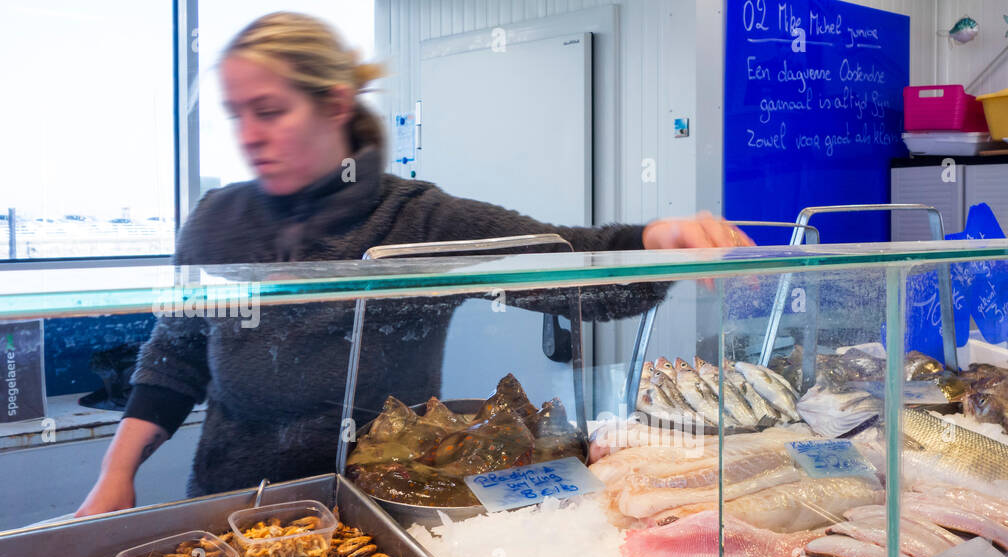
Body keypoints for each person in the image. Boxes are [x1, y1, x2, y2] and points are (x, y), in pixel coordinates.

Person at [77, 11, 752, 516]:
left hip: (382, 511)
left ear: (335, 104)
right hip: (232, 507)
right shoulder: (215, 221)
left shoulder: (417, 220)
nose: (249, 135)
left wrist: (656, 239)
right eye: (236, 115)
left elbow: (566, 264)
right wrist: (116, 472)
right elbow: (174, 357)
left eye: (270, 111)